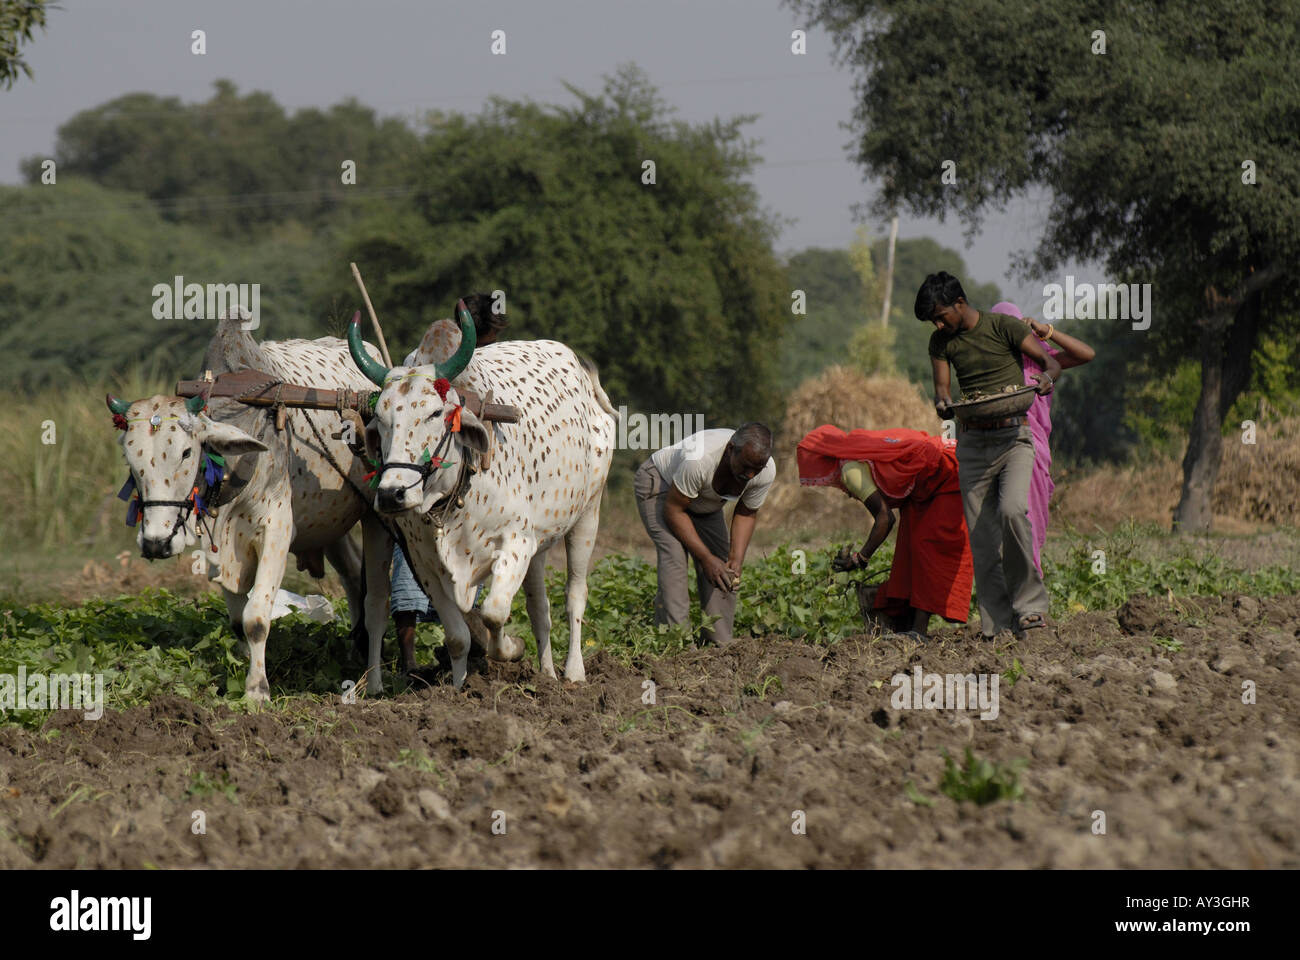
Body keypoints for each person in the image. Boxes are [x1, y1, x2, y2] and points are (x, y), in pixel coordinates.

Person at [918, 272, 1061, 639]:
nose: (938, 324)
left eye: (940, 315)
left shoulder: (1003, 328)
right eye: (933, 320)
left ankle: (1029, 609)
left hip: (1015, 438)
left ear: (960, 304)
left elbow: (1051, 364)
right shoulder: (941, 342)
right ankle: (997, 624)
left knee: (1014, 512)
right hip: (975, 444)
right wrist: (944, 405)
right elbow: (942, 391)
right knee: (982, 539)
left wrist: (1046, 379)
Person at [391, 293, 505, 675]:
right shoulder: (472, 361)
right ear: (482, 335)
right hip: (439, 476)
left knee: (412, 550)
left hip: (413, 472)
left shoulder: (411, 359)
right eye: (492, 337)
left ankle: (421, 658)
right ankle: (454, 649)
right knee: (454, 552)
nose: (492, 345)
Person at [797, 425, 974, 638]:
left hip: (947, 473)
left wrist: (860, 559)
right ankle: (907, 621)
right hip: (931, 478)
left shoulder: (850, 470)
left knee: (926, 546)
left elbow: (885, 518)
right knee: (908, 548)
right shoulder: (857, 450)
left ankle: (918, 632)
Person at [634, 424, 775, 646]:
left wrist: (736, 558)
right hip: (662, 487)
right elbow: (674, 510)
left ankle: (718, 645)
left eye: (756, 469)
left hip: (702, 501)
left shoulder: (764, 470)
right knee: (675, 558)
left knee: (723, 567)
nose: (750, 475)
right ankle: (676, 645)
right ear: (730, 450)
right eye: (746, 466)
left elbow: (747, 512)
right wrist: (704, 557)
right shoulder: (700, 460)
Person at [990, 301, 1095, 577]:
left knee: (1029, 519)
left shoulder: (1040, 360)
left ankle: (1030, 591)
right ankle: (1013, 592)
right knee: (1006, 519)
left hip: (1033, 448)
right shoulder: (990, 363)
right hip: (997, 448)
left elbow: (1086, 354)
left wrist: (1046, 331)